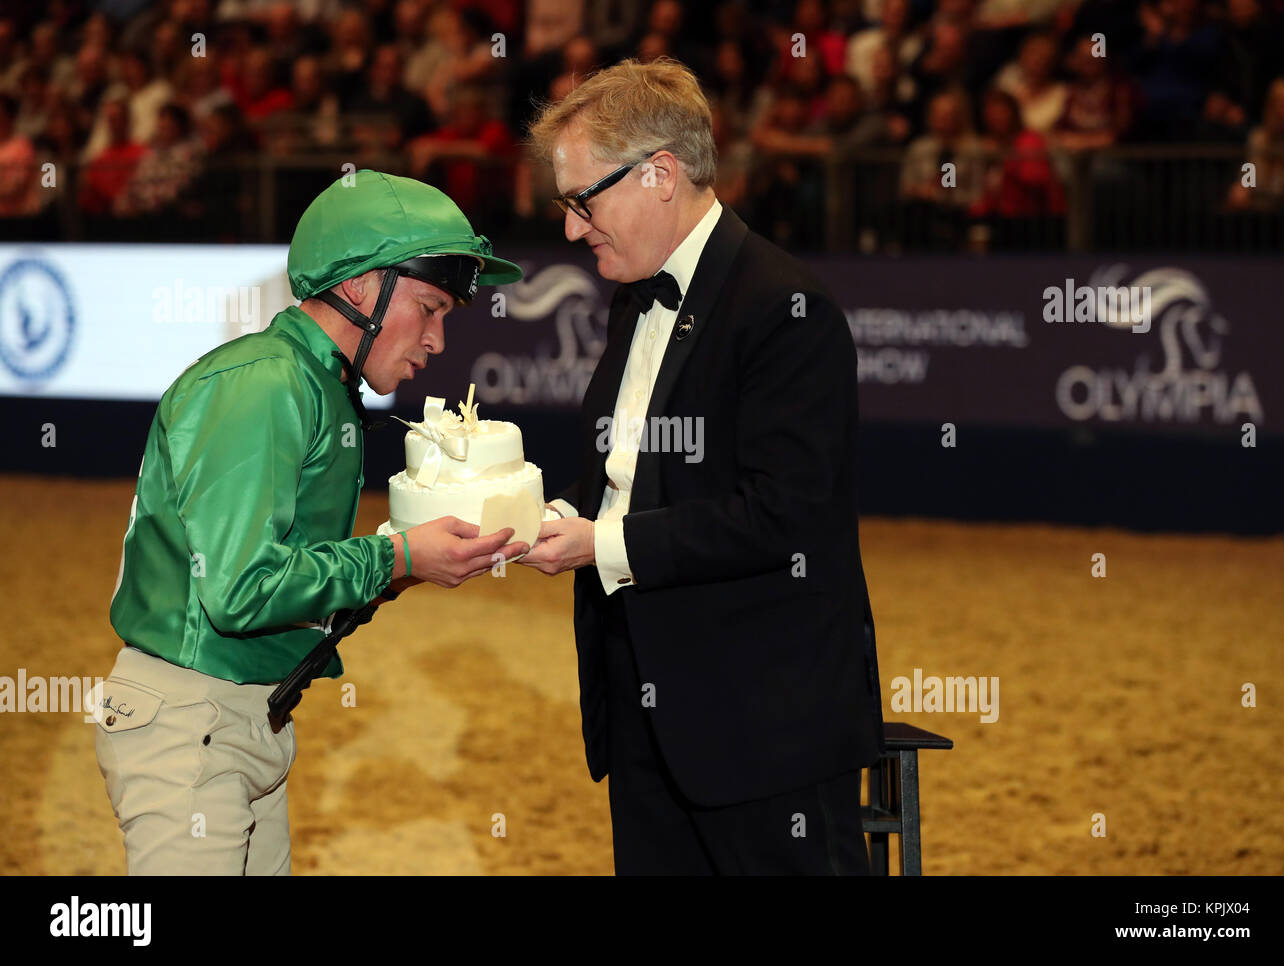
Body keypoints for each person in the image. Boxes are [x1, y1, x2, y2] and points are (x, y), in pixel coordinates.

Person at [94, 170, 528, 875]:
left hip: (237, 721)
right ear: (360, 288)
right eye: (428, 307)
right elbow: (239, 590)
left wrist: (409, 561)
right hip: (192, 723)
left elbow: (291, 577)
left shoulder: (313, 385)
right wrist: (393, 557)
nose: (439, 339)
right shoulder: (265, 383)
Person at [520, 58, 885, 875]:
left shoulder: (788, 310)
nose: (573, 228)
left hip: (767, 731)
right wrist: (546, 516)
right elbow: (629, 475)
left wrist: (597, 547)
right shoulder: (633, 295)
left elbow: (782, 516)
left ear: (659, 175)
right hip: (646, 714)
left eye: (583, 200)